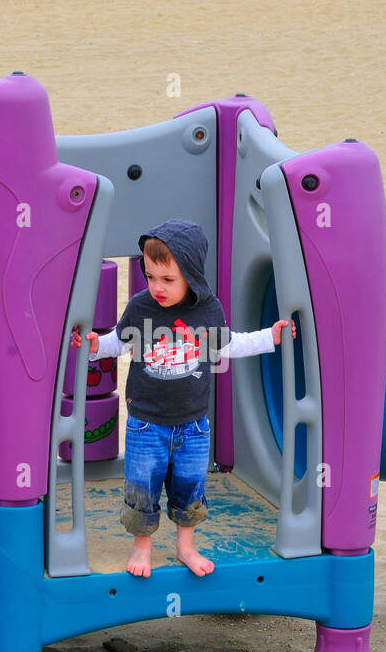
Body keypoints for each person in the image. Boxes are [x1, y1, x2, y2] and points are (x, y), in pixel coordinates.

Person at [70, 219, 295, 578]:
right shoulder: (143, 307)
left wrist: (270, 338)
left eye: (167, 279)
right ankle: (141, 548)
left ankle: (184, 547)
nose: (156, 287)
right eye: (150, 277)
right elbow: (120, 340)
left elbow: (231, 344)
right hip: (146, 423)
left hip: (193, 424)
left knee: (190, 488)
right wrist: (96, 346)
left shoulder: (207, 311)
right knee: (142, 487)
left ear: (191, 273)